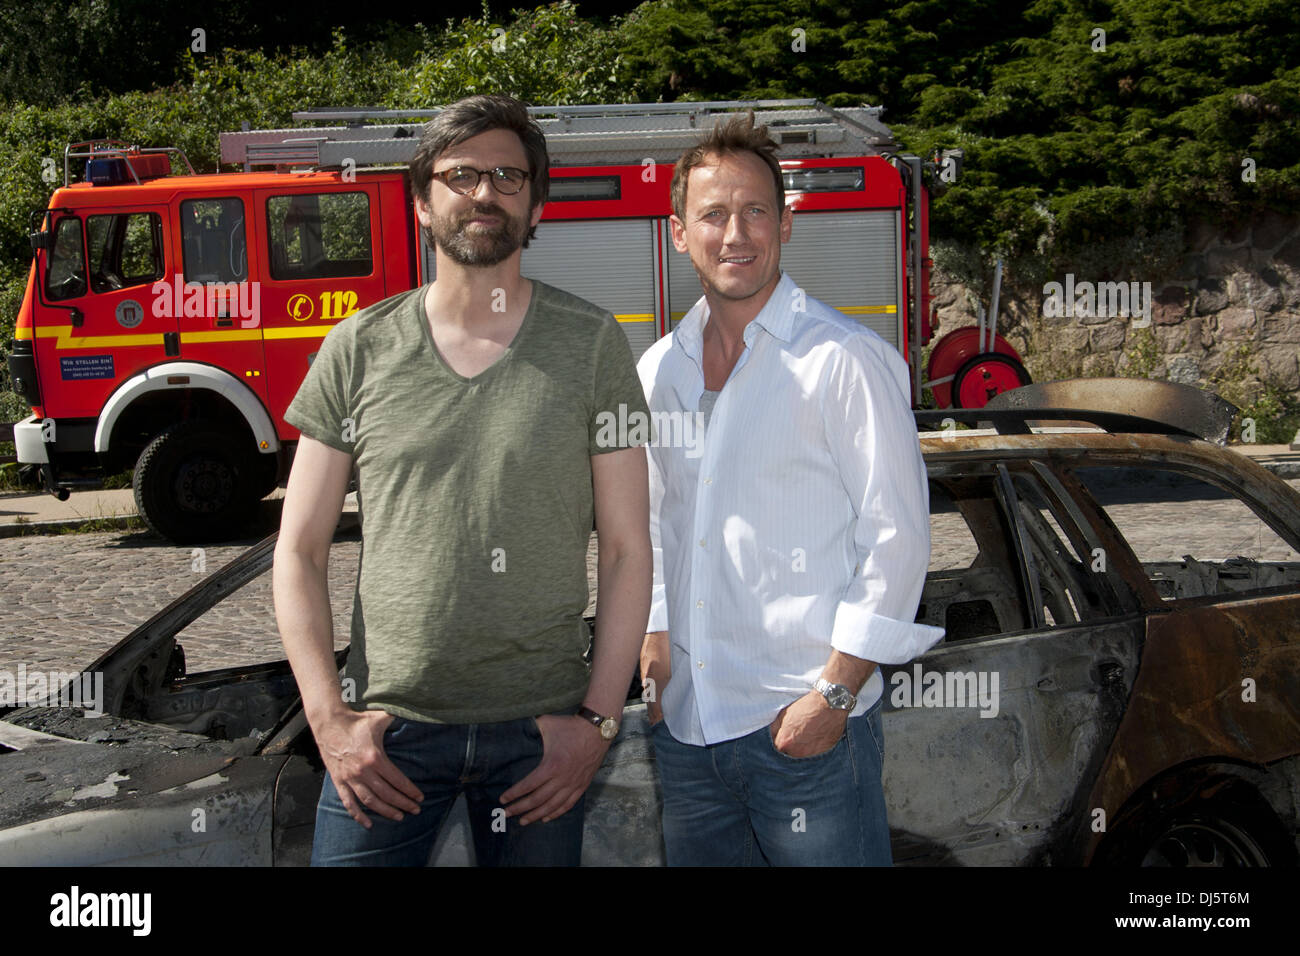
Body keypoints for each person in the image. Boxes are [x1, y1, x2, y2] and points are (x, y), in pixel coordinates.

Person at [272, 94, 650, 867]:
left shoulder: (592, 345)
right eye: (462, 175)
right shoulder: (357, 349)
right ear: (421, 200)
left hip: (540, 737)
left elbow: (627, 548)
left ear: (536, 202)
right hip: (387, 737)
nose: (485, 193)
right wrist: (328, 722)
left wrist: (598, 726)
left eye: (509, 176)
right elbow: (299, 550)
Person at [637, 112, 944, 866]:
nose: (734, 232)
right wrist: (653, 636)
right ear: (679, 232)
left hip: (803, 732)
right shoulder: (657, 373)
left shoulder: (844, 361)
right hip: (687, 738)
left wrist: (835, 696)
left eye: (754, 211)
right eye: (712, 214)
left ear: (785, 225)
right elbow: (654, 524)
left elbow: (898, 540)